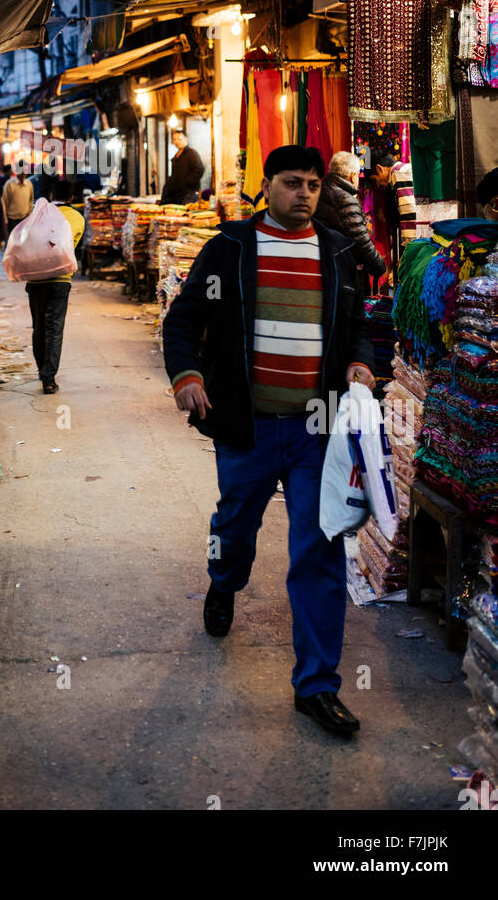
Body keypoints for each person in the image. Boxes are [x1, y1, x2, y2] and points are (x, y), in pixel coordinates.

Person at [163, 145, 376, 739]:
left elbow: (359, 324)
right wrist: (188, 377)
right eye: (292, 183)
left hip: (316, 431)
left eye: (312, 184)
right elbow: (182, 320)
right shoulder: (230, 247)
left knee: (318, 548)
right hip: (246, 425)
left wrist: (360, 363)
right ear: (267, 186)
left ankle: (317, 686)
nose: (304, 193)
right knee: (235, 525)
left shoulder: (337, 252)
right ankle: (224, 579)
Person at [27, 177, 85, 394]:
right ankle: (48, 378)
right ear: (71, 198)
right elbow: (71, 246)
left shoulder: (38, 214)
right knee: (54, 328)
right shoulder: (78, 218)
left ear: (51, 196)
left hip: (35, 278)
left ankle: (42, 369)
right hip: (60, 279)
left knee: (38, 325)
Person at [314, 150, 385, 278]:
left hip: (322, 264)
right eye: (357, 174)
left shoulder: (320, 190)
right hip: (341, 270)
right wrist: (379, 266)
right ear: (352, 176)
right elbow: (361, 241)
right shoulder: (346, 200)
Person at [160, 129, 204, 205]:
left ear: (186, 139)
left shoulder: (191, 153)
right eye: (174, 139)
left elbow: (199, 169)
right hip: (178, 195)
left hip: (189, 194)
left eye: (179, 139)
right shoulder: (176, 156)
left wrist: (186, 182)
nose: (177, 141)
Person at [2, 166, 35, 234]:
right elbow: (4, 202)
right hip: (12, 220)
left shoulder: (29, 184)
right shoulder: (9, 184)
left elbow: (31, 201)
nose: (24, 173)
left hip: (25, 219)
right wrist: (5, 219)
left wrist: (29, 215)